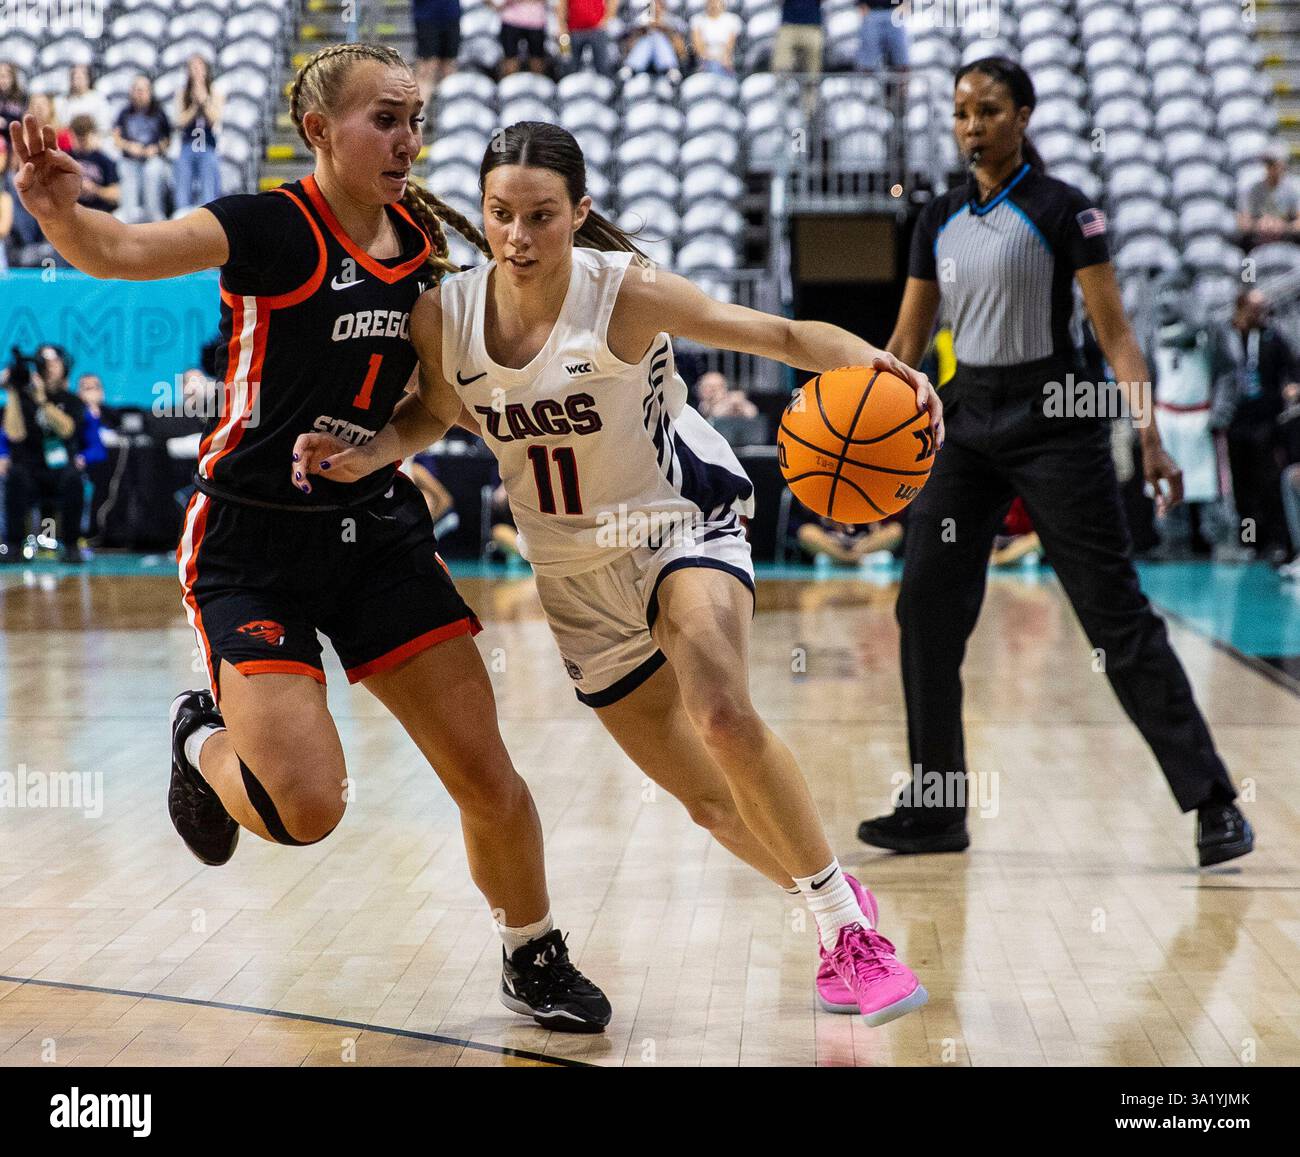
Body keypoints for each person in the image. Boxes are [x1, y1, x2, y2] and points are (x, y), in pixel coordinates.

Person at [8, 43, 612, 1032]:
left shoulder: (418, 244)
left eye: (414, 120)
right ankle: (197, 734)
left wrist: (388, 448)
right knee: (308, 807)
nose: (407, 139)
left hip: (372, 533)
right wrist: (59, 213)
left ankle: (530, 951)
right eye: (385, 118)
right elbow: (123, 252)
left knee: (487, 774)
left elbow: (432, 403)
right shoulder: (268, 225)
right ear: (319, 130)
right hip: (249, 542)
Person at [293, 119, 944, 1025]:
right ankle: (828, 898)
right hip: (575, 579)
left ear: (580, 213)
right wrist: (369, 454)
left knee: (720, 707)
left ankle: (846, 932)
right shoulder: (446, 317)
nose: (519, 237)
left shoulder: (625, 295)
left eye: (543, 216)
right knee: (713, 808)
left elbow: (782, 333)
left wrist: (884, 368)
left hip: (680, 522)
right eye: (501, 215)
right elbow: (431, 414)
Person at [855, 57, 1254, 868]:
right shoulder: (934, 219)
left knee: (1115, 615)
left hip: (1056, 420)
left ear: (1025, 115)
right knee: (925, 605)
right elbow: (905, 343)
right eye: (963, 111)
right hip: (966, 423)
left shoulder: (1066, 210)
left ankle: (1213, 802)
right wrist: (866, 424)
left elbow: (1113, 333)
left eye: (990, 110)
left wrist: (1148, 433)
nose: (973, 125)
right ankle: (937, 807)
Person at [1222, 289, 1299, 561]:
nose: (1261, 313)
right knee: (1241, 486)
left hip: (1266, 418)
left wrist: (1290, 386)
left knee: (1268, 481)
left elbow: (1290, 368)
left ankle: (1277, 542)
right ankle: (1250, 540)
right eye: (1255, 308)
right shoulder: (1227, 337)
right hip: (1236, 418)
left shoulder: (1272, 336)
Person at [1, 344, 89, 564]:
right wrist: (13, 391)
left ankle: (71, 545)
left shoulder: (72, 401)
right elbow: (14, 434)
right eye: (45, 364)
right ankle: (13, 545)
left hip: (60, 469)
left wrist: (42, 401)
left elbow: (68, 429)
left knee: (74, 479)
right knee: (16, 476)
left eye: (54, 363)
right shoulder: (22, 399)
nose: (50, 369)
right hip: (30, 467)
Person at [113, 75, 172, 223]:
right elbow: (116, 137)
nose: (139, 93)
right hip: (130, 159)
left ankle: (155, 217)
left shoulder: (159, 113)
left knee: (153, 171)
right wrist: (129, 146)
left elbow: (168, 139)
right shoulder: (125, 113)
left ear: (150, 92)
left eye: (142, 90)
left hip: (152, 159)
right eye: (136, 89)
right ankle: (128, 219)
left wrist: (156, 148)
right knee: (126, 170)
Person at [174, 55, 223, 213]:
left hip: (208, 145)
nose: (195, 71)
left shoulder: (214, 91)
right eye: (192, 68)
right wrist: (195, 106)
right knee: (182, 183)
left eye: (199, 67)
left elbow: (214, 118)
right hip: (188, 144)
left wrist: (204, 100)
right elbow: (179, 121)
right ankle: (181, 214)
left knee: (208, 181)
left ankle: (209, 214)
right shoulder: (182, 93)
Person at [1237, 142, 1300, 247]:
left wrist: (1283, 226)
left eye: (1273, 163)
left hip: (1287, 238)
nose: (1270, 167)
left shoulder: (1294, 188)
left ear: (1283, 164)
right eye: (1267, 163)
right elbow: (1243, 222)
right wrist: (1259, 225)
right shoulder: (1253, 189)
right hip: (1258, 238)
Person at [620, 0, 688, 81]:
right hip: (643, 55)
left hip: (666, 55)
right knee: (651, 37)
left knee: (658, 37)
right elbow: (629, 44)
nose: (655, 7)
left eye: (658, 4)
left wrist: (664, 29)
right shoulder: (640, 20)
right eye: (653, 4)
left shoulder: (673, 21)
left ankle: (671, 71)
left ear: (664, 5)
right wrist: (644, 31)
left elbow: (681, 48)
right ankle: (629, 70)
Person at [411, 0, 461, 106]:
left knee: (449, 66)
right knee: (427, 67)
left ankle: (449, 109)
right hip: (427, 17)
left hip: (451, 15)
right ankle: (419, 113)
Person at [67, 115, 120, 215]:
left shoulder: (104, 160)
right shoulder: (65, 158)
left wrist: (95, 189)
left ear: (92, 134)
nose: (81, 143)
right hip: (72, 213)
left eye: (84, 138)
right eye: (78, 138)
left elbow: (116, 195)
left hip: (98, 213)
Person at [559, 0, 617, 77]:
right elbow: (562, 4)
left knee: (603, 67)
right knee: (570, 67)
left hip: (597, 30)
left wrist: (606, 19)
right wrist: (562, 26)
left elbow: (613, 2)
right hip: (574, 30)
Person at [494, 0, 550, 77]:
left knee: (537, 62)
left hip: (536, 22)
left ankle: (537, 87)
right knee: (510, 61)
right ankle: (511, 87)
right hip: (510, 21)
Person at [56, 63, 111, 140]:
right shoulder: (63, 101)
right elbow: (61, 126)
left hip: (94, 140)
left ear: (88, 79)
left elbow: (104, 126)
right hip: (71, 141)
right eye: (74, 77)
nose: (77, 80)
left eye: (81, 77)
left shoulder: (98, 99)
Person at [772, 0, 824, 78]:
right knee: (782, 64)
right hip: (789, 26)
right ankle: (782, 84)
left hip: (812, 26)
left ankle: (811, 86)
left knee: (813, 66)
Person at [690, 0, 742, 77]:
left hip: (725, 61)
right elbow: (699, 48)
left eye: (716, 1)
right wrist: (711, 59)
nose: (713, 4)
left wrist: (722, 59)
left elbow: (729, 47)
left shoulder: (733, 19)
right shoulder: (697, 19)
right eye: (711, 2)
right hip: (705, 62)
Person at [856, 0, 909, 73]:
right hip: (872, 11)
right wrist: (862, 5)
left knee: (901, 52)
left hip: (894, 10)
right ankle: (868, 81)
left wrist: (904, 4)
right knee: (868, 56)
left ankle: (903, 82)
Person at [0, 63, 25, 138]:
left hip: (13, 139)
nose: (3, 80)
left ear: (13, 78)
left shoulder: (21, 96)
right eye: (1, 76)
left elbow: (23, 120)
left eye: (6, 76)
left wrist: (5, 123)